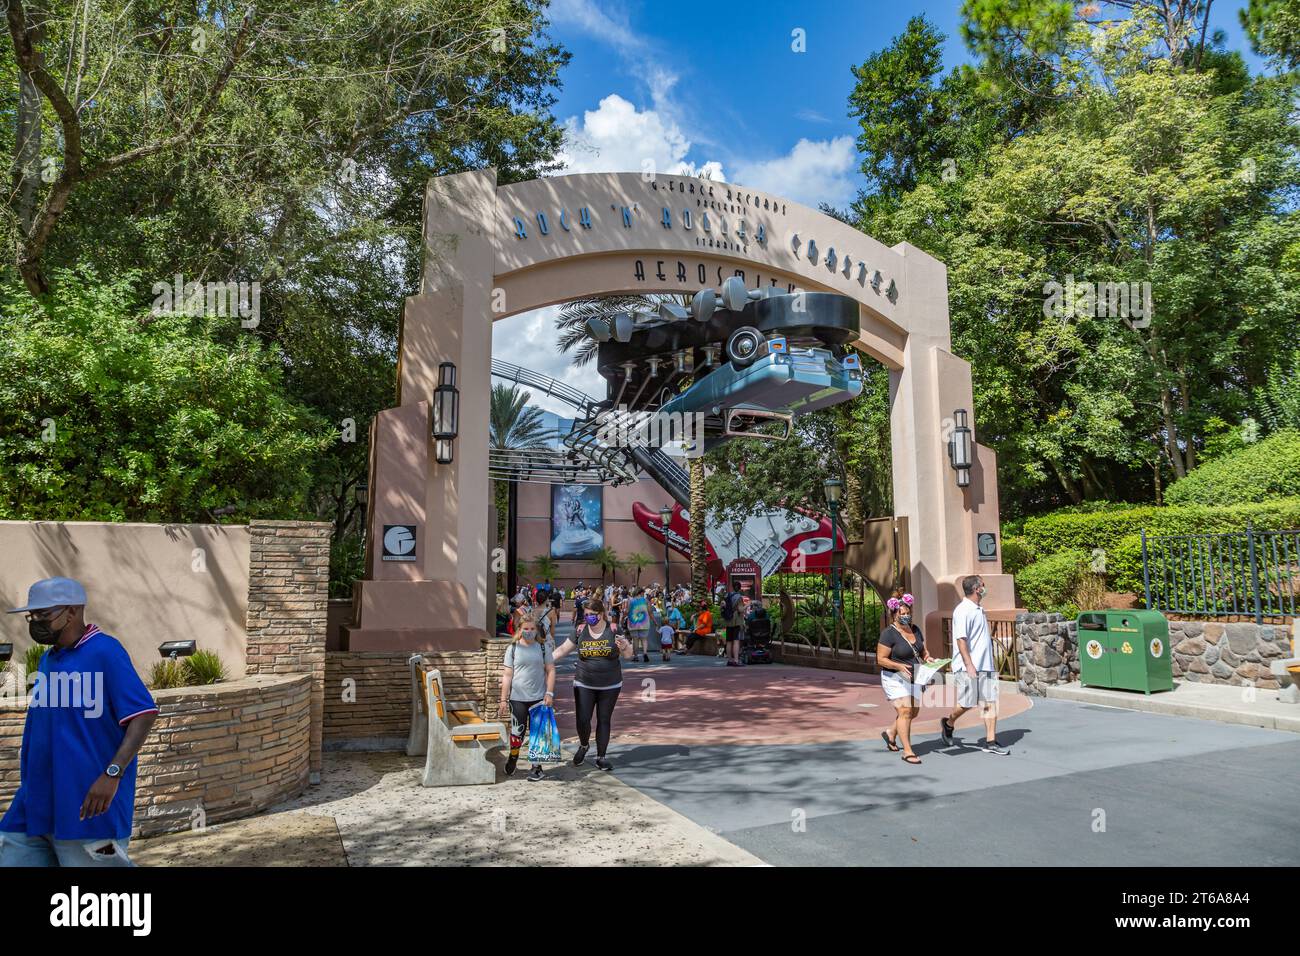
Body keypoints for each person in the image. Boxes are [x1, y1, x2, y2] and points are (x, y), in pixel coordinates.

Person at [1, 577, 158, 867]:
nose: (35, 621)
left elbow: (143, 713)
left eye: (43, 614)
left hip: (86, 802)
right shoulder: (50, 659)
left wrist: (112, 773)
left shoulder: (105, 652)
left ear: (71, 612)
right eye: (32, 616)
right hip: (36, 800)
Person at [552, 598, 632, 771]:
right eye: (586, 615)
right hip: (584, 682)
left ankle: (601, 757)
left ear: (601, 614)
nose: (589, 618)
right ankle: (583, 745)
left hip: (610, 684)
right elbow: (561, 650)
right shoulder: (580, 631)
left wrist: (625, 646)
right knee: (583, 719)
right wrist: (543, 662)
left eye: (592, 615)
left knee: (604, 719)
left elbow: (628, 655)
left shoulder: (614, 629)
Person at [940, 575, 1008, 755]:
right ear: (977, 589)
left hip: (986, 665)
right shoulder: (963, 610)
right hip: (968, 666)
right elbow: (961, 640)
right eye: (983, 585)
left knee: (989, 701)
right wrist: (969, 665)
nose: (985, 588)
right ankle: (948, 723)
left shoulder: (978, 608)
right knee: (967, 703)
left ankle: (991, 741)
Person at [498, 609, 556, 781]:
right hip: (517, 699)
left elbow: (551, 670)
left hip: (539, 698)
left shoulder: (544, 648)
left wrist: (549, 692)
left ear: (536, 630)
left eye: (532, 629)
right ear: (519, 629)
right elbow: (507, 675)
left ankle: (537, 767)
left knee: (538, 734)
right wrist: (503, 699)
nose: (529, 632)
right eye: (526, 628)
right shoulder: (513, 649)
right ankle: (513, 758)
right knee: (517, 734)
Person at [877, 589, 933, 765]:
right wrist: (898, 666)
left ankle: (891, 733)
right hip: (894, 677)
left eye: (908, 613)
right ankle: (907, 751)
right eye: (902, 614)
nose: (906, 616)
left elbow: (922, 650)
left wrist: (928, 658)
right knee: (905, 711)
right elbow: (881, 659)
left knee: (913, 712)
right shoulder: (889, 634)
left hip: (914, 676)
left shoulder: (915, 629)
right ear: (894, 614)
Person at [626, 586, 651, 663]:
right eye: (643, 593)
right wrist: (655, 621)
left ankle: (636, 656)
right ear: (640, 593)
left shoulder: (631, 601)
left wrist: (623, 617)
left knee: (635, 640)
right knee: (644, 639)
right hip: (644, 622)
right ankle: (645, 653)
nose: (644, 594)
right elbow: (650, 612)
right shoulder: (646, 601)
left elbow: (627, 611)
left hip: (633, 623)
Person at [723, 583, 745, 667]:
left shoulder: (727, 595)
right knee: (736, 640)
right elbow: (740, 609)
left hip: (728, 620)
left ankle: (729, 660)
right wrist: (747, 605)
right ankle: (736, 660)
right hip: (736, 621)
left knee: (729, 641)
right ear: (739, 588)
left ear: (732, 587)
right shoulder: (739, 597)